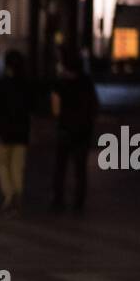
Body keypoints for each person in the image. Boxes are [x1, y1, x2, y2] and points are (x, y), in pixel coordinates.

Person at [50, 47, 99, 211]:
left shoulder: (60, 83)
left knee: (60, 168)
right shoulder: (87, 82)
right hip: (83, 131)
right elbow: (94, 106)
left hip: (65, 129)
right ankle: (78, 203)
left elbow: (55, 109)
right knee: (80, 169)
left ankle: (58, 200)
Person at [0, 50, 32, 214]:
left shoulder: (1, 84)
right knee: (17, 167)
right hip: (22, 133)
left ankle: (9, 193)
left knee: (1, 165)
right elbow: (30, 111)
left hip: (3, 132)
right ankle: (17, 194)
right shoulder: (26, 84)